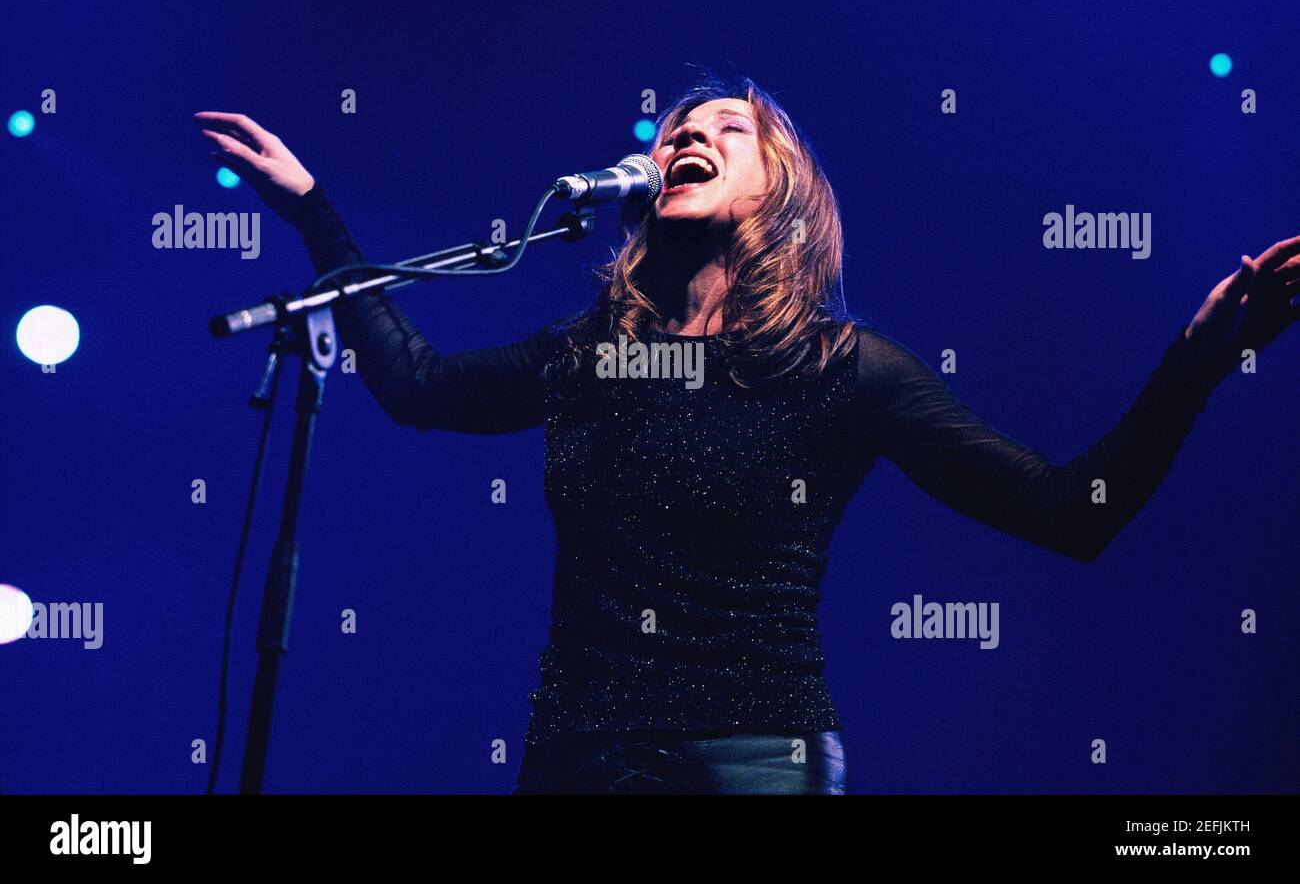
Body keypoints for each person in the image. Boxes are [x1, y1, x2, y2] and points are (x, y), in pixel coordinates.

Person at [195, 77, 1299, 794]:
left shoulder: (841, 367)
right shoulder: (596, 353)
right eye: (680, 125)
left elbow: (1071, 515)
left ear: (785, 196)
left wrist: (1199, 360)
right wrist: (312, 213)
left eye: (731, 129)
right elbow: (418, 386)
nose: (690, 133)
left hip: (750, 763)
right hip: (571, 760)